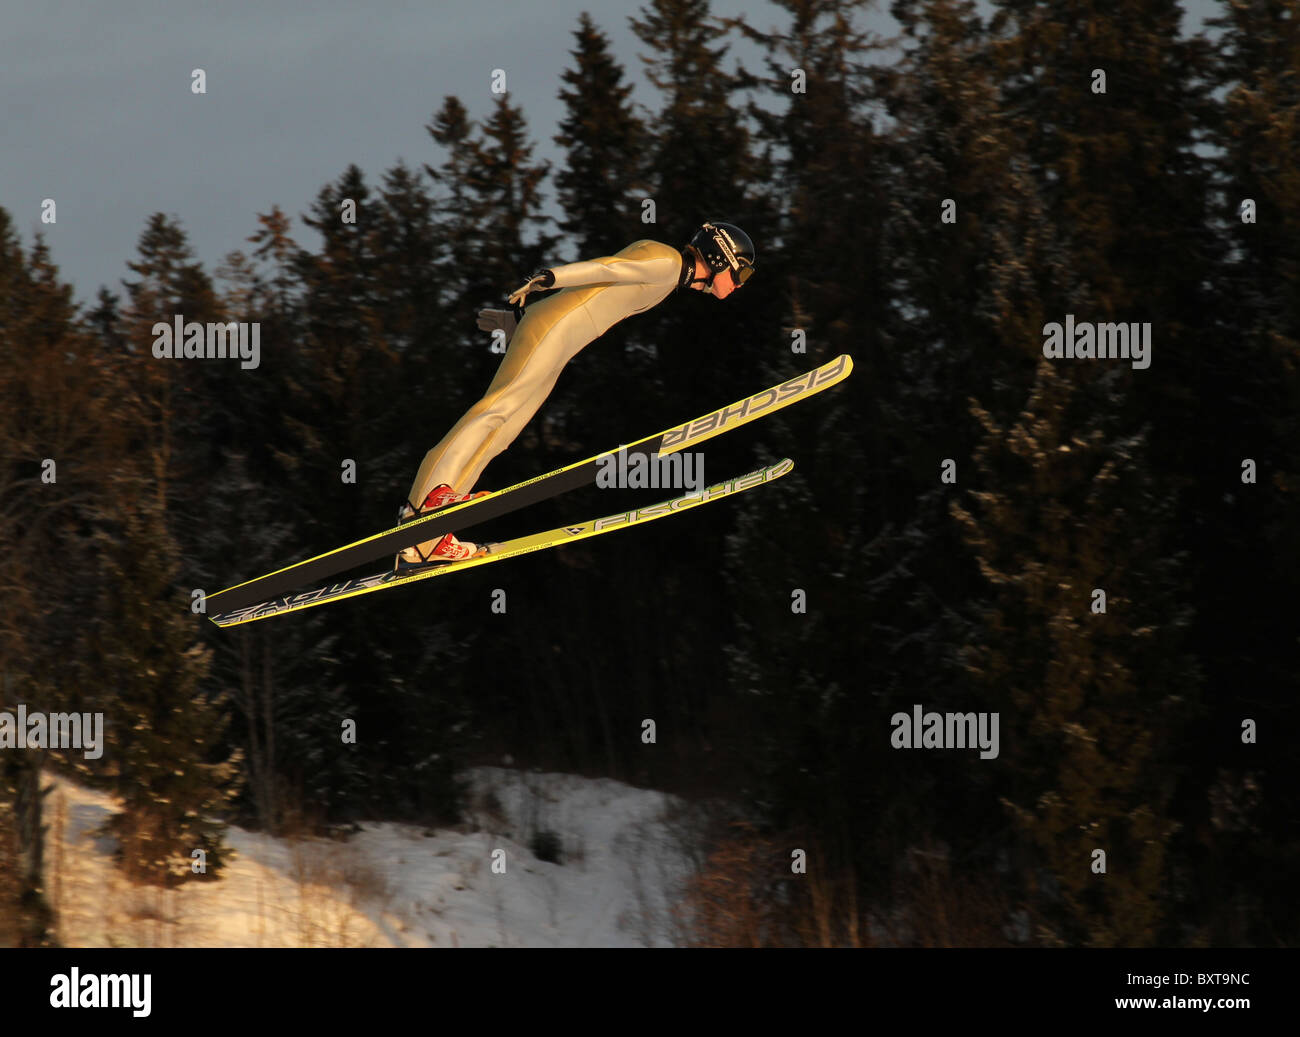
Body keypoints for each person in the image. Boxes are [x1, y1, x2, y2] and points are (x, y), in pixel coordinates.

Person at [395, 220, 756, 571]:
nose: (740, 285)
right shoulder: (667, 261)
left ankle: (429, 539)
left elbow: (596, 295)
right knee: (494, 410)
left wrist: (517, 320)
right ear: (720, 257)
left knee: (500, 435)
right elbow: (608, 268)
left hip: (558, 342)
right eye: (740, 274)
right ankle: (420, 507)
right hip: (551, 332)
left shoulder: (672, 279)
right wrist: (551, 277)